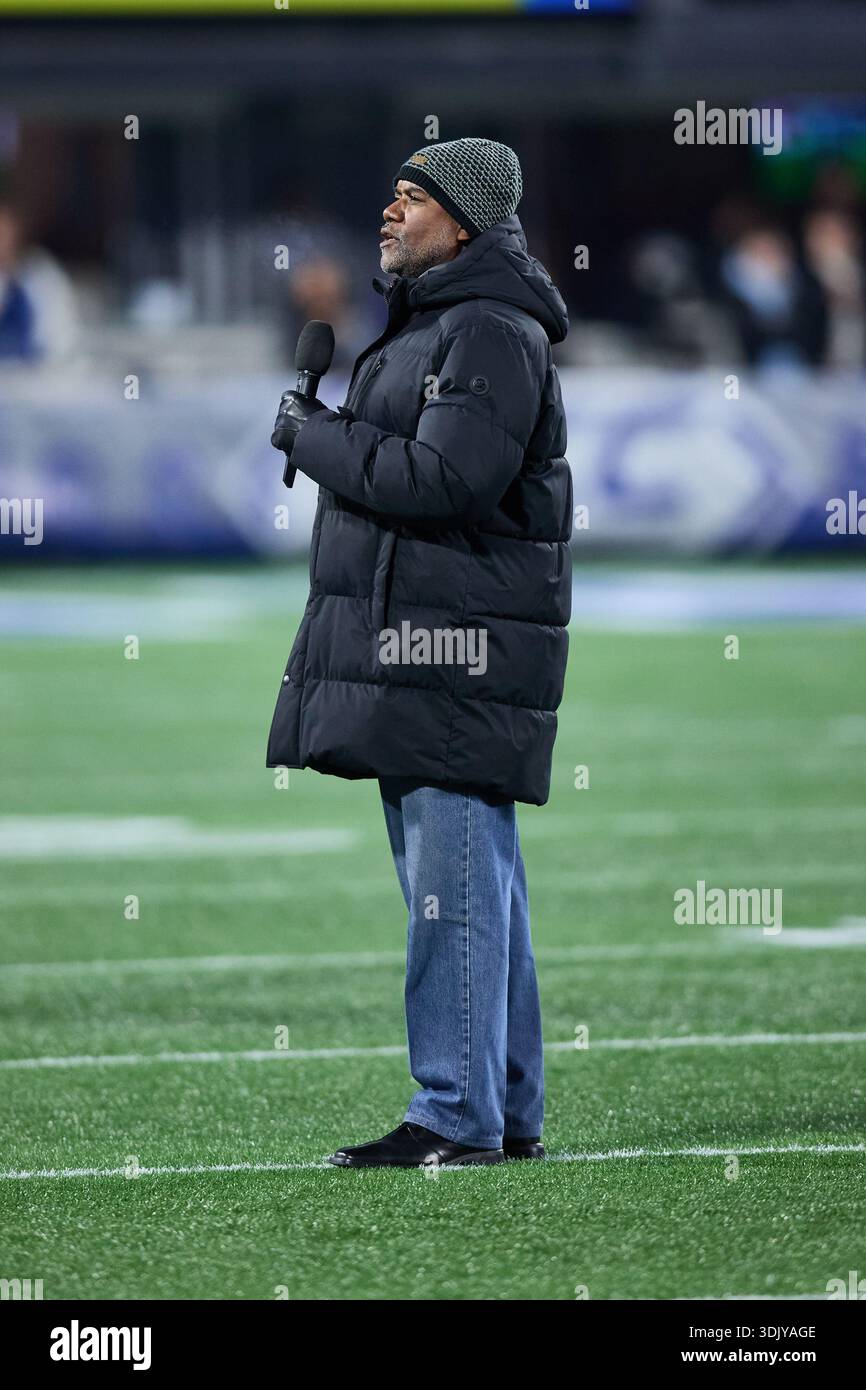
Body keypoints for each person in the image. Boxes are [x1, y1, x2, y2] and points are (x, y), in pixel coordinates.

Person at [269, 138, 572, 1168]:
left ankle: (453, 1112)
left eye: (413, 197)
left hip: (457, 647)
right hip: (429, 640)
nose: (389, 213)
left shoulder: (485, 328)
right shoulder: (448, 321)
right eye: (391, 192)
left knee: (451, 889)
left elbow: (447, 480)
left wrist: (311, 436)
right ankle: (504, 1104)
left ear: (464, 221)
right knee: (475, 885)